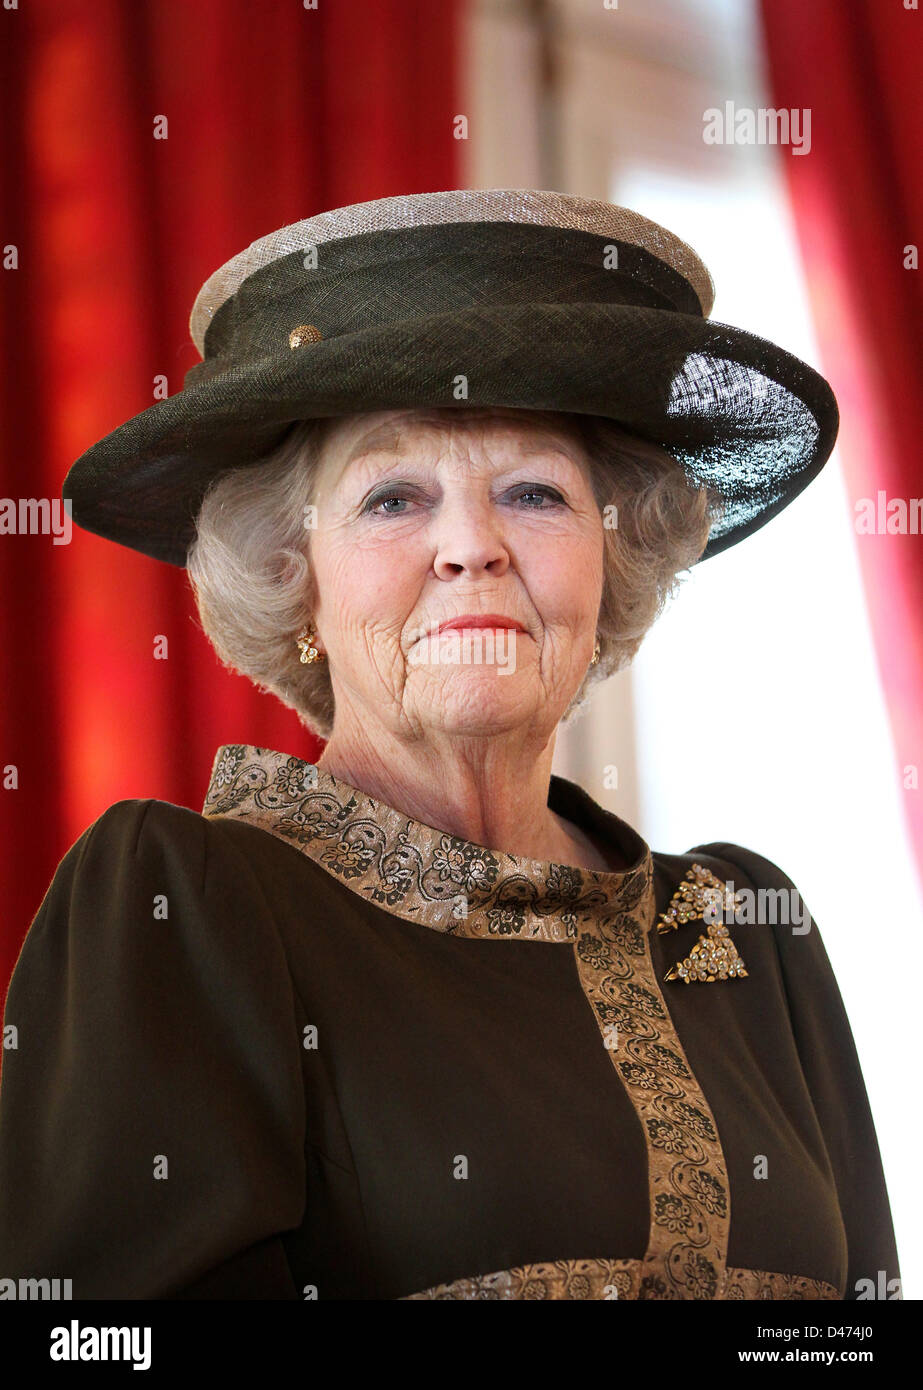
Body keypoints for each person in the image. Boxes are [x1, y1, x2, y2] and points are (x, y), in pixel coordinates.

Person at [0, 189, 900, 1301]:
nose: (471, 547)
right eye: (391, 499)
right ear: (295, 581)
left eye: (533, 492)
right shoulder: (185, 908)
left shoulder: (749, 934)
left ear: (610, 568)